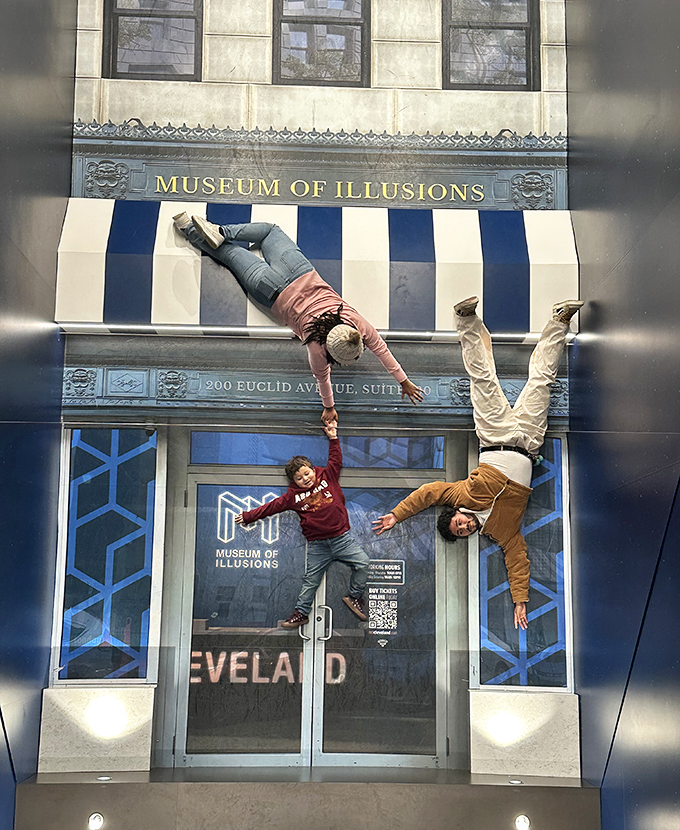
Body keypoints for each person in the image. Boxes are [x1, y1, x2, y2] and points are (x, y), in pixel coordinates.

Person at [373, 295, 584, 631]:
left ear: (454, 514)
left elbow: (428, 492)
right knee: (542, 382)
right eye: (464, 532)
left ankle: (466, 319)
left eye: (459, 525)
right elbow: (518, 561)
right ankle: (560, 320)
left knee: (483, 380)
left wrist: (397, 515)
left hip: (494, 435)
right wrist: (520, 601)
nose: (466, 527)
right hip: (529, 441)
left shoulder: (460, 496)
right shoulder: (501, 532)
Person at [173, 214, 424, 424]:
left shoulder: (355, 323)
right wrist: (329, 407)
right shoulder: (317, 347)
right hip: (269, 290)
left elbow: (381, 349)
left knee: (270, 231)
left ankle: (221, 230)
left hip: (297, 270)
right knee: (227, 255)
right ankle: (186, 226)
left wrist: (404, 380)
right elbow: (322, 378)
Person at [236, 420, 369, 628]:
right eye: (299, 478)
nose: (305, 479)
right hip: (318, 546)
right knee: (310, 581)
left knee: (363, 563)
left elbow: (336, 458)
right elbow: (271, 507)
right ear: (293, 481)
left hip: (342, 539)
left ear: (313, 470)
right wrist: (248, 516)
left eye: (307, 473)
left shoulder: (328, 475)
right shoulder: (292, 497)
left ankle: (354, 596)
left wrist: (333, 437)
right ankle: (301, 613)